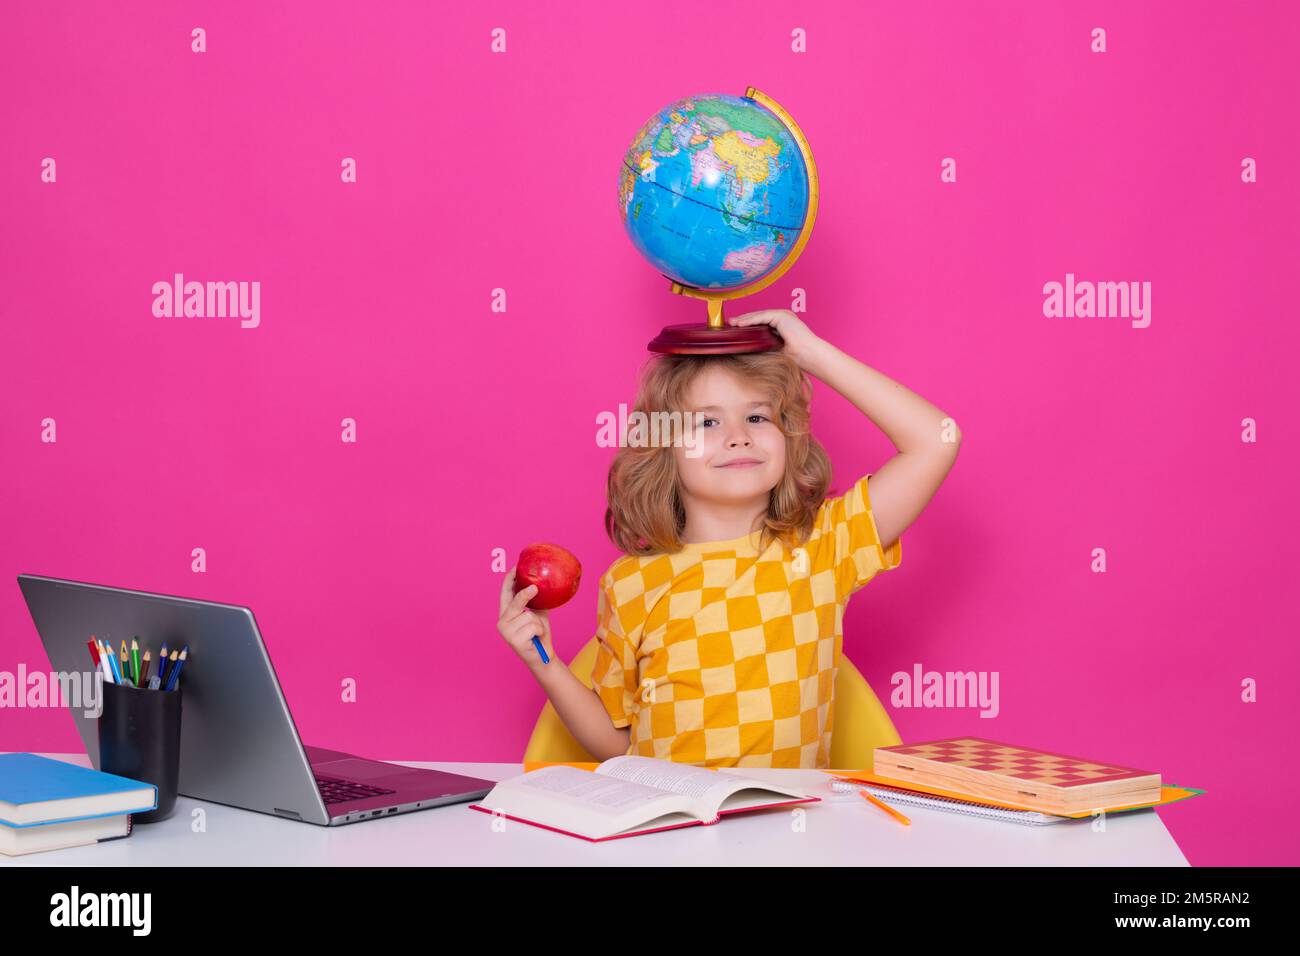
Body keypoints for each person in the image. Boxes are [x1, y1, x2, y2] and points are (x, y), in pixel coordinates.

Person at [497, 309, 961, 768]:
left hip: (783, 828)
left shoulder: (823, 546)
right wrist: (544, 662)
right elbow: (619, 745)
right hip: (669, 824)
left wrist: (811, 354)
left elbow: (936, 439)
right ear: (665, 451)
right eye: (707, 423)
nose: (738, 437)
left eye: (758, 418)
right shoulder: (630, 583)